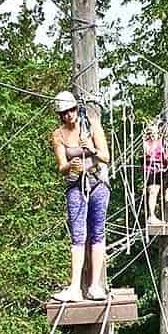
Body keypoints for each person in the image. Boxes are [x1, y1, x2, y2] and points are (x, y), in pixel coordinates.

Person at [51, 90, 110, 303]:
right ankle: (75, 287)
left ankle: (95, 285)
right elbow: (61, 167)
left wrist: (91, 149)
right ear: (60, 115)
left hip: (97, 184)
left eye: (72, 110)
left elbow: (105, 157)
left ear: (77, 108)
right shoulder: (58, 135)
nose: (69, 115)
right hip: (76, 185)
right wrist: (70, 165)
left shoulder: (91, 125)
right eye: (65, 112)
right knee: (78, 236)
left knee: (97, 232)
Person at [143, 123, 167, 224]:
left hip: (159, 171)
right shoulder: (147, 143)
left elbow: (164, 155)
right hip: (150, 170)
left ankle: (154, 215)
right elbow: (148, 153)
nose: (153, 135)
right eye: (151, 133)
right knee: (152, 192)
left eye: (155, 133)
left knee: (157, 192)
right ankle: (151, 215)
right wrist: (149, 141)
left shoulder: (161, 143)